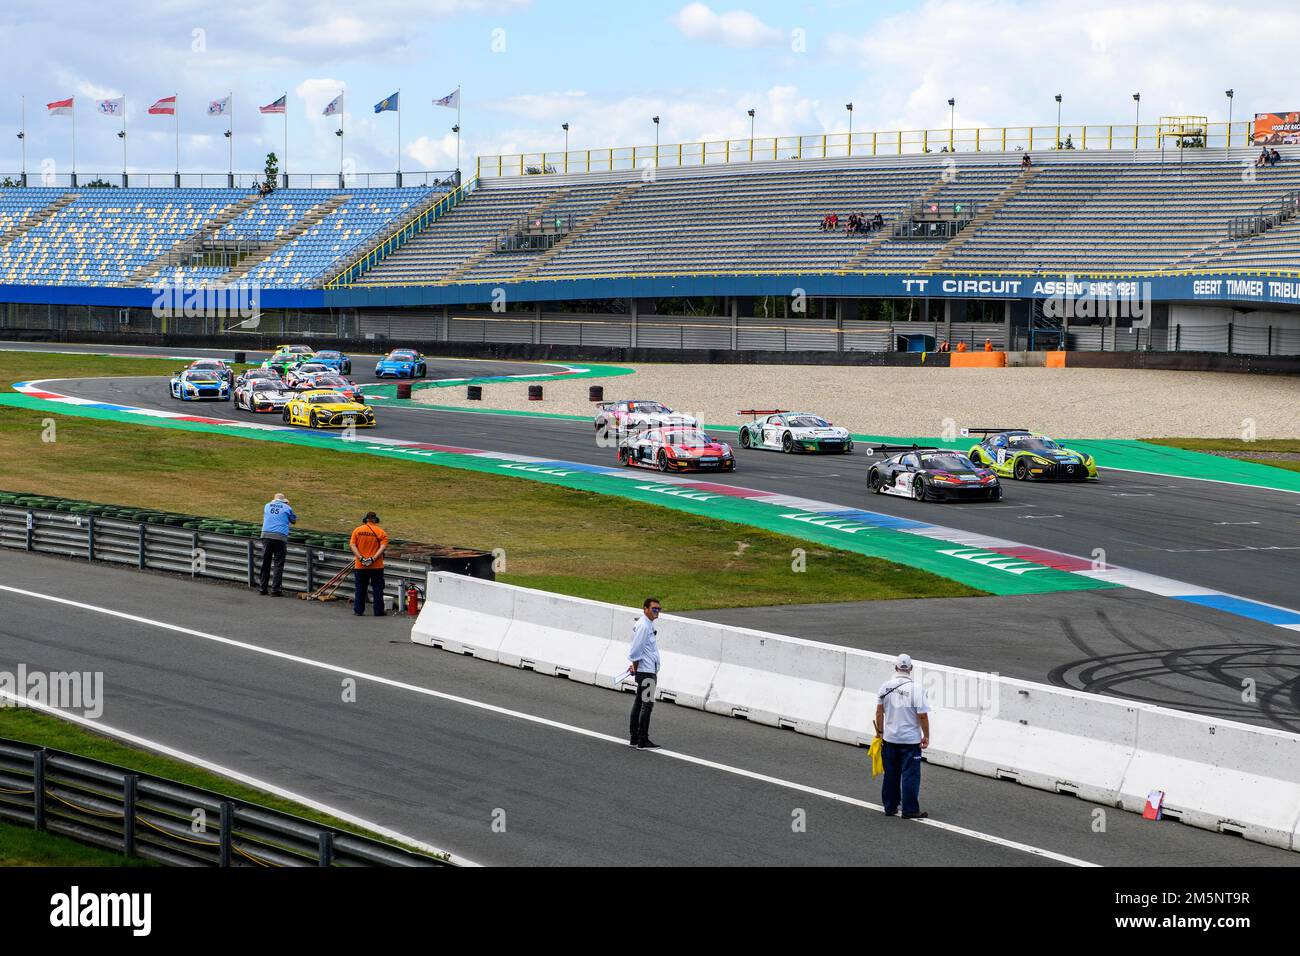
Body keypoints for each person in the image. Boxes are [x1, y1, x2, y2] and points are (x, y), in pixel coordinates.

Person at [874, 653, 931, 819]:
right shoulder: (917, 689)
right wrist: (926, 735)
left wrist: (879, 732)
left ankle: (890, 806)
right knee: (910, 775)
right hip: (910, 740)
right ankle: (910, 809)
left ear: (895, 667)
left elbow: (879, 712)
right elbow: (923, 716)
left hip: (890, 738)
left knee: (891, 773)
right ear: (911, 669)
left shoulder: (885, 687)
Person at [627, 597, 663, 749]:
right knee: (646, 705)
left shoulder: (645, 624)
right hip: (647, 672)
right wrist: (635, 666)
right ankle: (642, 739)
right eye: (654, 609)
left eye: (658, 609)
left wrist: (635, 667)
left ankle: (634, 737)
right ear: (645, 609)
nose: (657, 612)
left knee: (639, 703)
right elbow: (636, 650)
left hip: (645, 670)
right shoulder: (644, 626)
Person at [349, 511, 389, 617]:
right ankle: (378, 611)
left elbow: (353, 545)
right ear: (376, 519)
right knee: (377, 589)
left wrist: (361, 558)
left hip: (360, 565)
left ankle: (358, 610)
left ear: (365, 519)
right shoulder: (381, 532)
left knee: (360, 588)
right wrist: (373, 558)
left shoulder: (357, 530)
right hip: (376, 566)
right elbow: (383, 547)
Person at [258, 493, 296, 596]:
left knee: (266, 563)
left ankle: (262, 588)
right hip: (280, 537)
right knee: (278, 564)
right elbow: (294, 520)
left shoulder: (267, 505)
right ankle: (275, 590)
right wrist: (287, 505)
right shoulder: (287, 507)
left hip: (266, 535)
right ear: (284, 501)